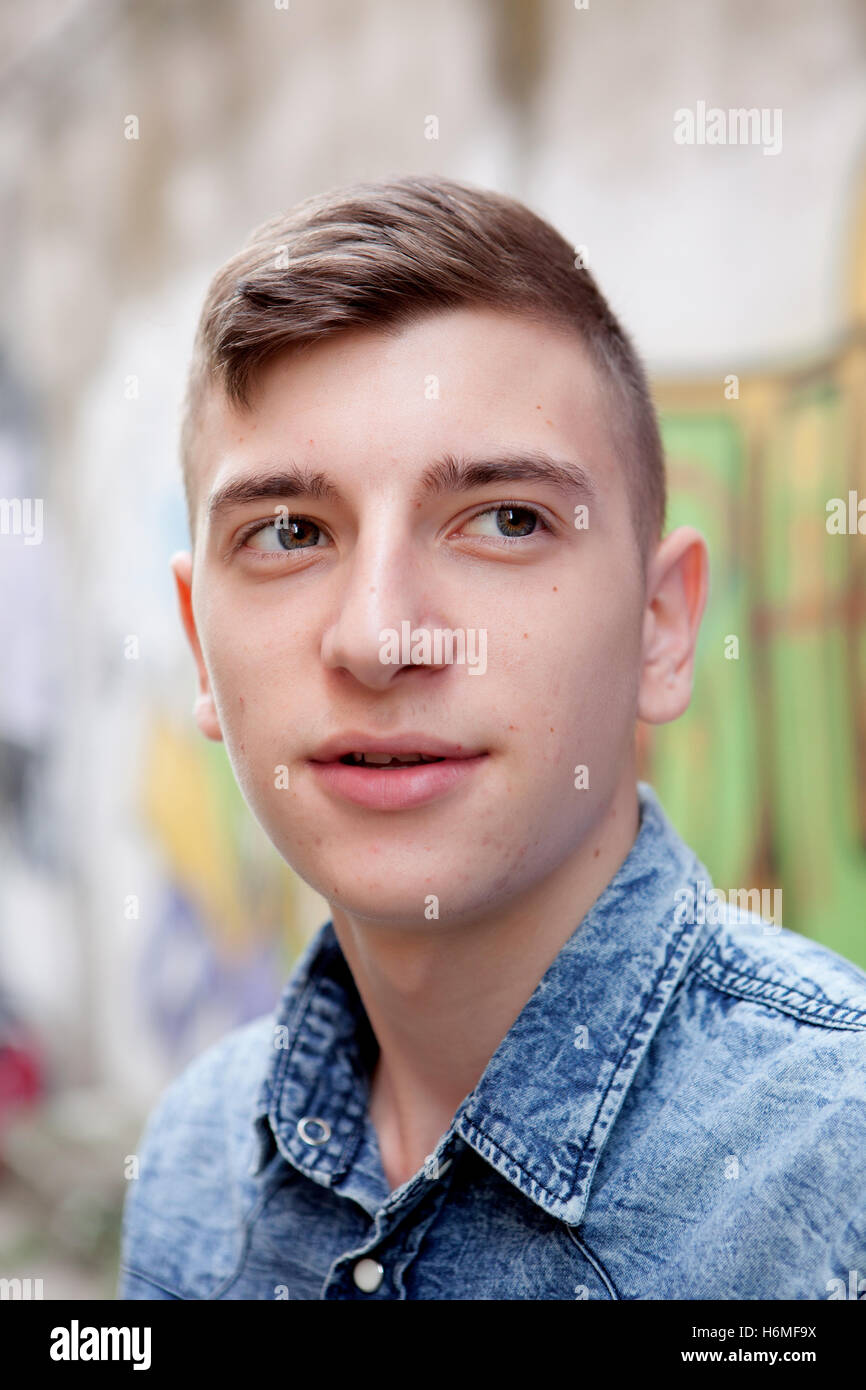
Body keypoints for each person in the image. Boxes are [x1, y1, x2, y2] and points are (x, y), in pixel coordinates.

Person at [117, 174, 866, 1300]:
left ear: (661, 627)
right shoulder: (192, 1160)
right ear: (198, 645)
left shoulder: (836, 1172)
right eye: (287, 531)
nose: (378, 638)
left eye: (505, 519)